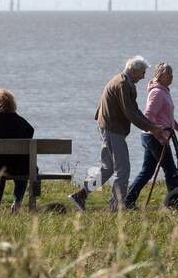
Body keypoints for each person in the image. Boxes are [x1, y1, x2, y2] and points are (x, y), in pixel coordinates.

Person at [70, 56, 164, 212]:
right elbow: (130, 113)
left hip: (107, 127)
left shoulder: (122, 81)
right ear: (133, 71)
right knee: (123, 169)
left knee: (108, 168)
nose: (143, 77)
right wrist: (151, 128)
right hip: (112, 129)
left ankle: (81, 195)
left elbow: (135, 110)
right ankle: (116, 207)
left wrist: (151, 126)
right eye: (141, 73)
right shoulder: (122, 84)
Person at [124, 62, 178, 208]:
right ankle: (176, 202)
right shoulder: (157, 93)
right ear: (161, 75)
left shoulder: (164, 91)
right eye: (169, 75)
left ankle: (128, 201)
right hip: (154, 137)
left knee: (147, 171)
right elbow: (148, 116)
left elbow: (168, 118)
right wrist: (159, 137)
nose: (172, 78)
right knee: (171, 170)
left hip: (154, 136)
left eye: (172, 74)